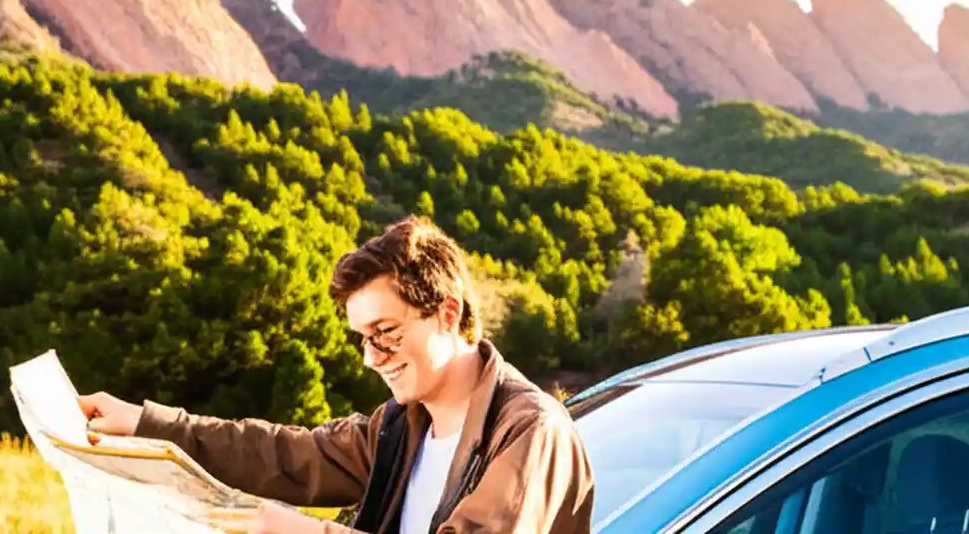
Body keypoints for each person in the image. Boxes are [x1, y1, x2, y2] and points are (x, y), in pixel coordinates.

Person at [78, 215, 595, 534]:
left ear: (448, 312)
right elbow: (284, 454)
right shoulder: (399, 427)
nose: (372, 357)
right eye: (361, 338)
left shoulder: (530, 431)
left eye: (386, 331)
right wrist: (144, 424)